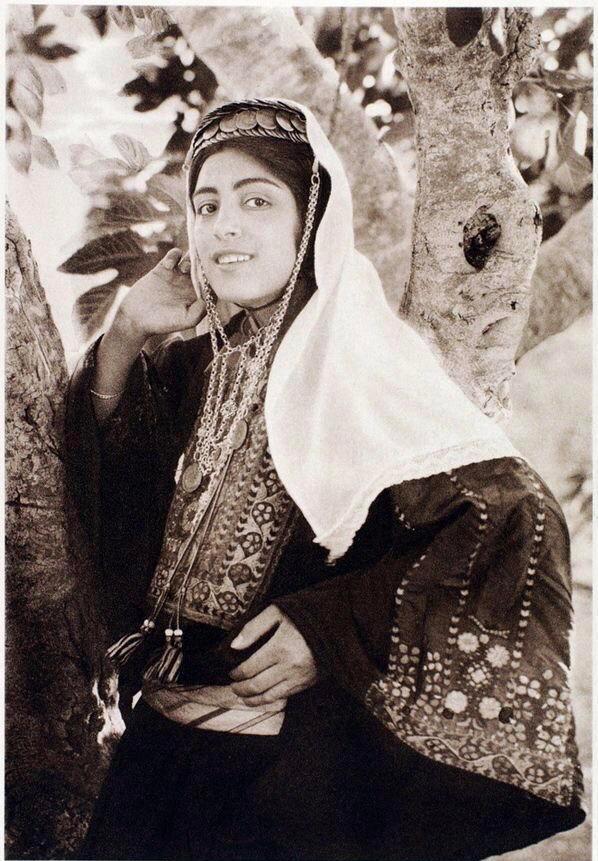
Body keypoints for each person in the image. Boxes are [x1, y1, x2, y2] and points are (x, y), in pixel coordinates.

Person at [65, 99, 585, 861]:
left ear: (312, 220)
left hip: (276, 777)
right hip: (158, 747)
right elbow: (103, 490)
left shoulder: (363, 363)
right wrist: (126, 334)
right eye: (206, 205)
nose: (225, 226)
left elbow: (514, 519)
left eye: (257, 201)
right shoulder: (196, 362)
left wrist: (332, 625)